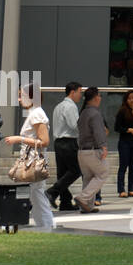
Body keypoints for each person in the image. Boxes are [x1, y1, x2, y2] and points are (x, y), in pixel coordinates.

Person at [4, 84, 53, 231]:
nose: (19, 99)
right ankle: (45, 226)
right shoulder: (35, 113)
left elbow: (44, 141)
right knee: (36, 194)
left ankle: (47, 226)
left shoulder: (37, 114)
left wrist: (19, 139)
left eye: (21, 96)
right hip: (31, 160)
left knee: (37, 194)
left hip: (33, 161)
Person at [46, 81, 83, 211]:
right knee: (75, 171)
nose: (81, 95)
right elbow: (75, 125)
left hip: (58, 142)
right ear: (72, 92)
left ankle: (65, 202)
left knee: (62, 174)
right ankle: (52, 192)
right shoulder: (71, 107)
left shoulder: (58, 106)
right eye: (80, 92)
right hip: (68, 142)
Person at [74, 86, 109, 213]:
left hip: (82, 151)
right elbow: (99, 132)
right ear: (95, 98)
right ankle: (83, 198)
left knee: (88, 177)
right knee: (103, 173)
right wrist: (104, 146)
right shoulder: (95, 113)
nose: (100, 98)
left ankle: (87, 206)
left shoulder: (83, 113)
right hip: (93, 150)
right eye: (99, 95)